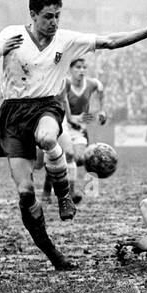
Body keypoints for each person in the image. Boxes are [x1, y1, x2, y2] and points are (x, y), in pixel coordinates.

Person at [0, 0, 147, 271]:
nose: (54, 22)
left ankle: (64, 194)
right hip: (12, 114)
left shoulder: (66, 40)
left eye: (58, 16)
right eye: (48, 16)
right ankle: (53, 253)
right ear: (33, 15)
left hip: (46, 106)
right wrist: (0, 50)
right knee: (25, 194)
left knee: (48, 137)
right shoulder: (12, 34)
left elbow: (109, 41)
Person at [41, 58, 106, 204]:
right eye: (78, 67)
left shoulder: (92, 83)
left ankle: (56, 183)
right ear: (71, 69)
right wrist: (71, 119)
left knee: (79, 159)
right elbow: (63, 103)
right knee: (66, 155)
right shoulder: (64, 83)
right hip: (63, 123)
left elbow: (100, 88)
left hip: (79, 127)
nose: (81, 70)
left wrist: (102, 111)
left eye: (84, 67)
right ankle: (68, 192)